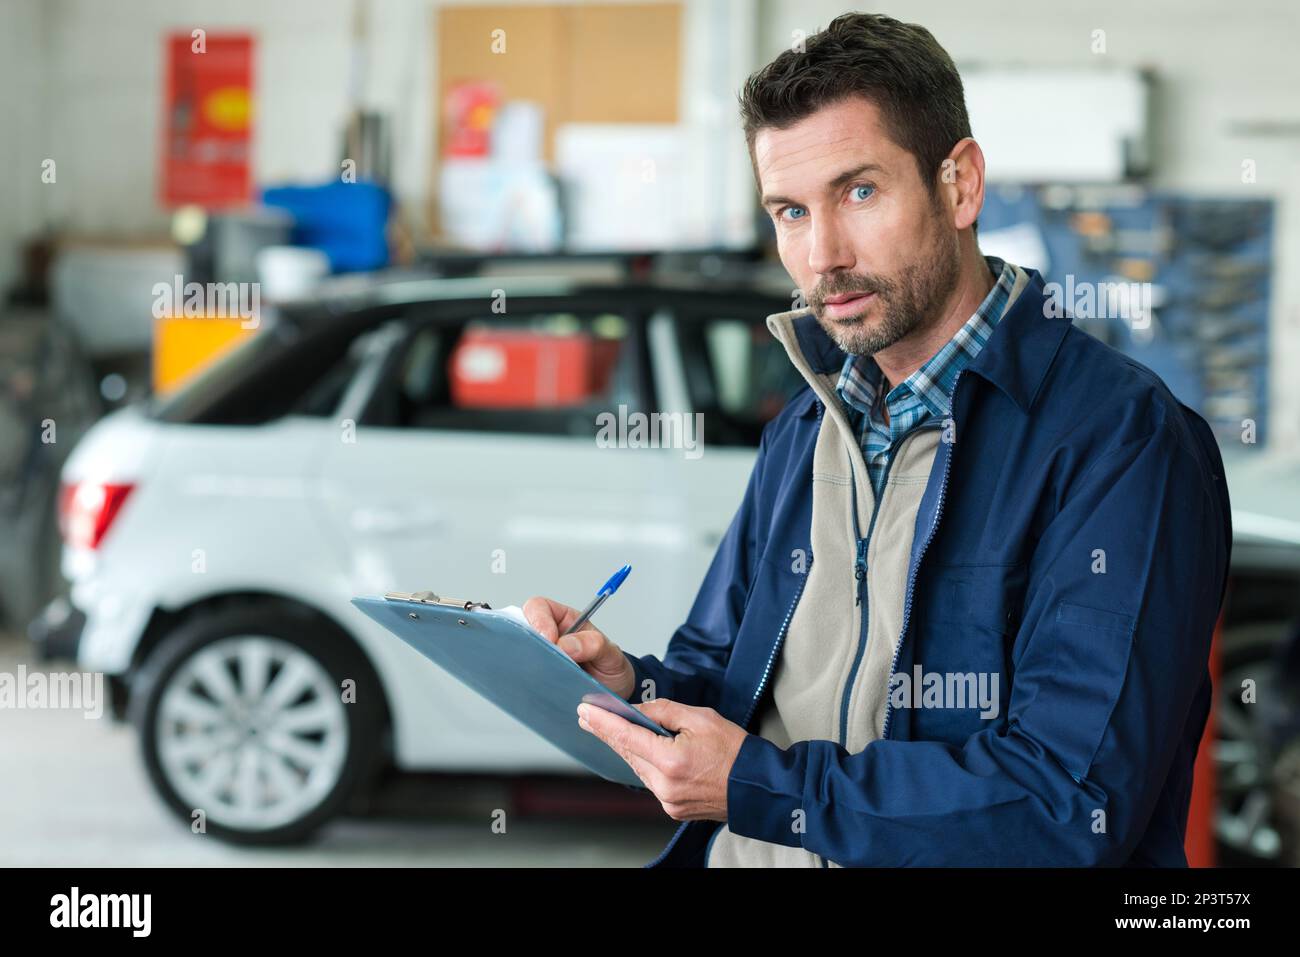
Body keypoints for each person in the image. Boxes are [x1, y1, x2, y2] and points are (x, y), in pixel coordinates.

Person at [524, 12, 1231, 867]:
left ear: (960, 186)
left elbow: (1064, 802)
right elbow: (721, 674)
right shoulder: (808, 424)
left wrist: (763, 785)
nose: (822, 254)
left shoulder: (1122, 442)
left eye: (859, 192)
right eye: (789, 210)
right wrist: (633, 689)